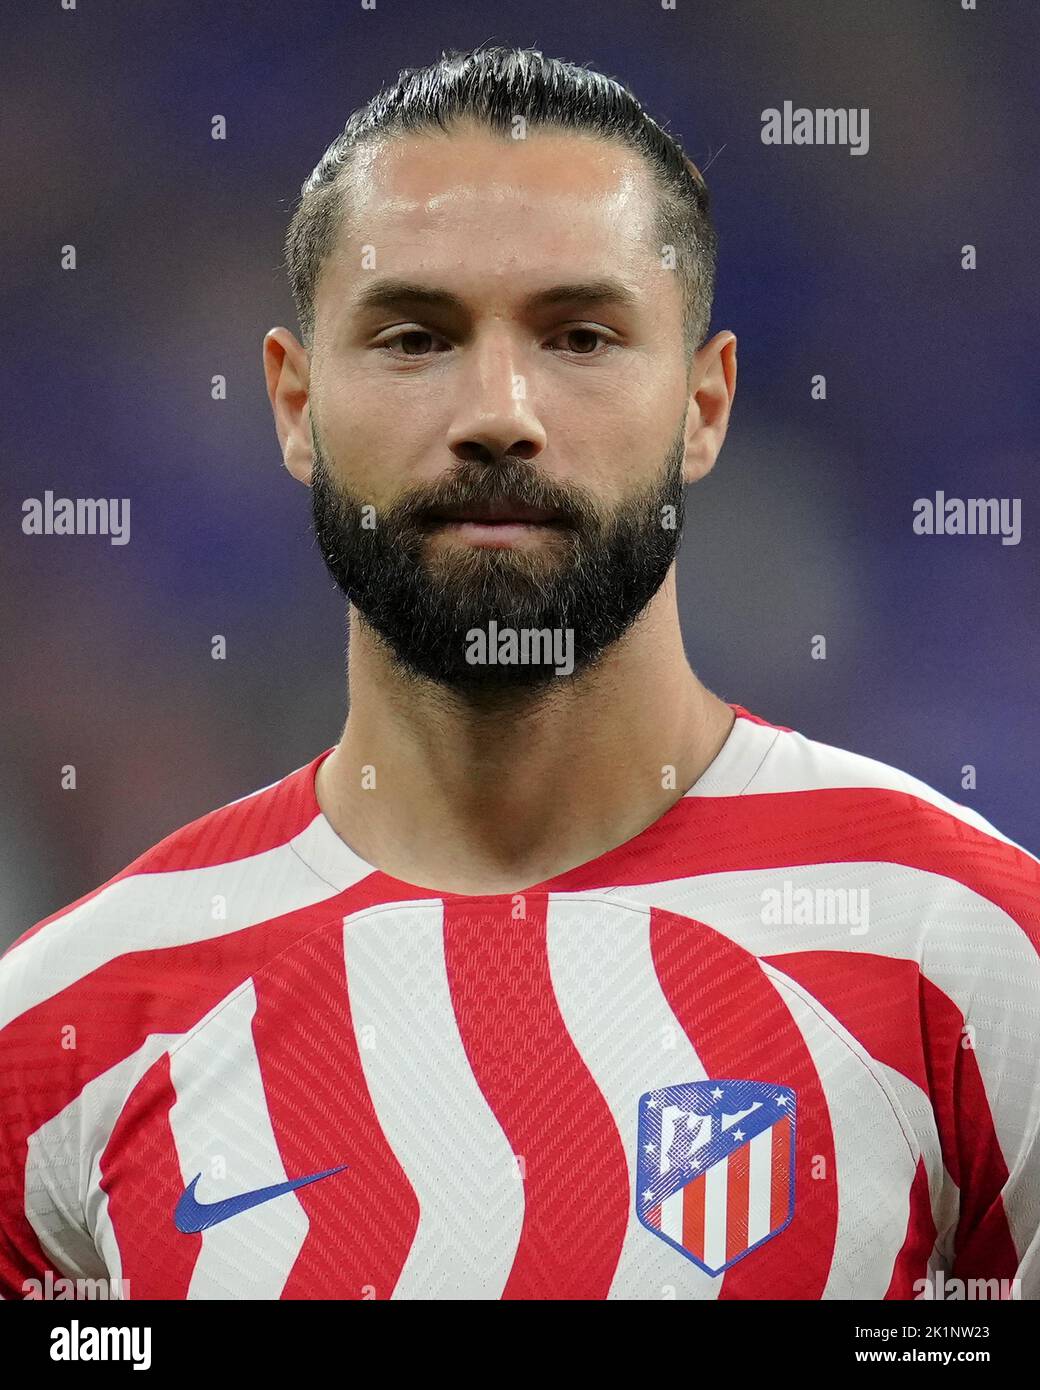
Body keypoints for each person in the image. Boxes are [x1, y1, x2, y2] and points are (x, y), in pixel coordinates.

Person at [1, 44, 1037, 1302]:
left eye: (582, 335)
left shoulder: (973, 953)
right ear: (292, 403)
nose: (499, 409)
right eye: (414, 338)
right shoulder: (63, 1027)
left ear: (703, 406)